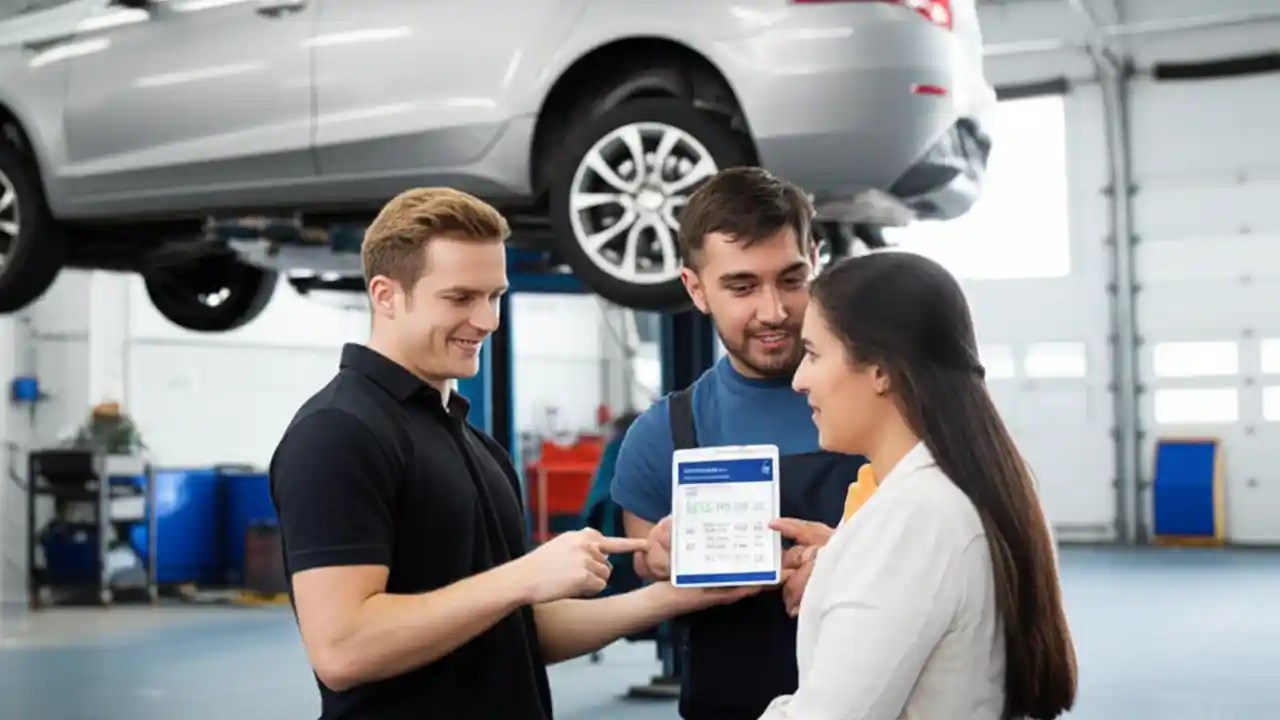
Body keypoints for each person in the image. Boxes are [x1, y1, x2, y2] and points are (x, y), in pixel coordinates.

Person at [268, 187, 753, 720]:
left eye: (495, 296)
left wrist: (672, 597)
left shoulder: (476, 445)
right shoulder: (340, 432)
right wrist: (524, 577)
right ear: (385, 295)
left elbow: (518, 634)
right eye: (460, 298)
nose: (488, 320)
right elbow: (344, 649)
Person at [756, 249, 1078, 719]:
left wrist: (865, 559)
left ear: (881, 371)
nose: (800, 380)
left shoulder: (914, 520)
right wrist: (845, 561)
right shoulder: (937, 497)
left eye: (813, 354)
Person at [610, 167, 869, 719]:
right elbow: (644, 573)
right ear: (695, 288)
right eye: (742, 286)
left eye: (792, 279)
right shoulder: (664, 436)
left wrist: (853, 562)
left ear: (817, 261)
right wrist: (660, 562)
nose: (773, 311)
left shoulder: (887, 403)